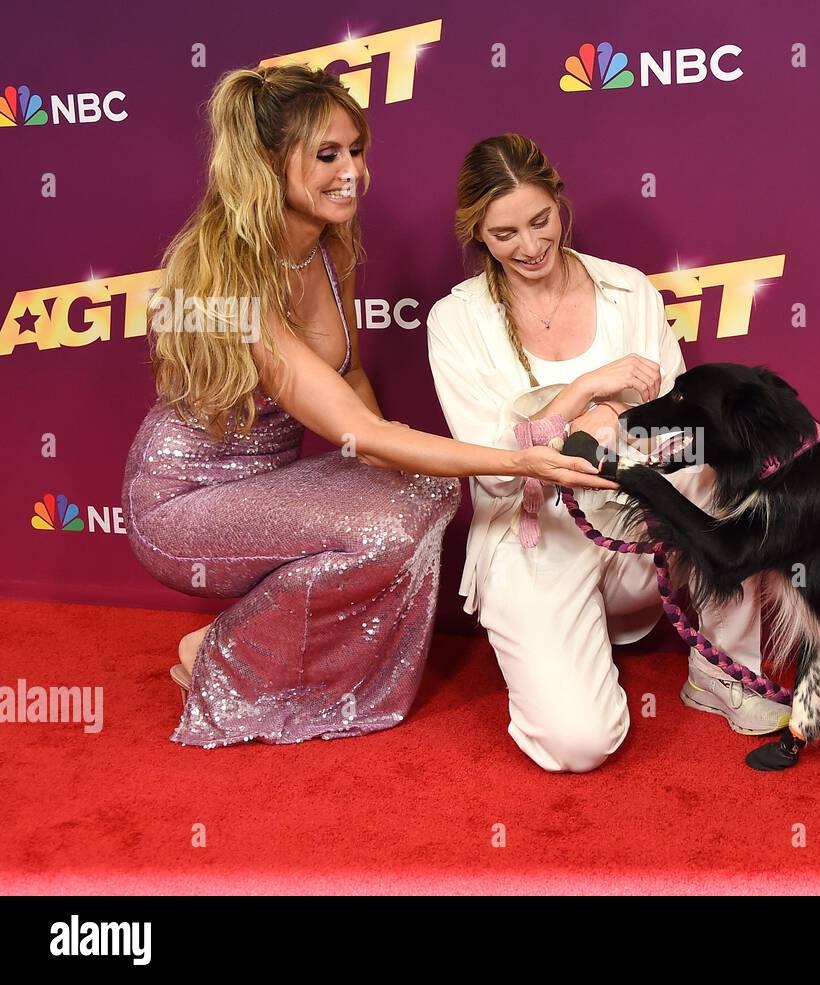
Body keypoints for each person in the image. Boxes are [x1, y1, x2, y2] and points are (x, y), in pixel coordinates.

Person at [121, 69, 611, 749]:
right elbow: (363, 434)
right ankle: (225, 651)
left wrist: (397, 464)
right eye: (328, 155)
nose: (353, 172)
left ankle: (260, 652)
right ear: (268, 163)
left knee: (426, 489)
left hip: (266, 479)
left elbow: (349, 374)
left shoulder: (327, 247)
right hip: (184, 501)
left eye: (357, 151)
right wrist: (522, 460)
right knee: (391, 518)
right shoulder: (237, 286)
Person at [426, 133, 789, 773]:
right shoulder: (456, 321)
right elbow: (496, 469)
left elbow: (685, 434)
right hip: (535, 536)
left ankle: (724, 665)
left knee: (728, 457)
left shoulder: (627, 292)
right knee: (578, 744)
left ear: (561, 203)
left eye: (541, 221)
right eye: (504, 233)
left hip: (637, 520)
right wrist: (585, 392)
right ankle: (568, 649)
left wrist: (611, 418)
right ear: (477, 233)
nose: (532, 247)